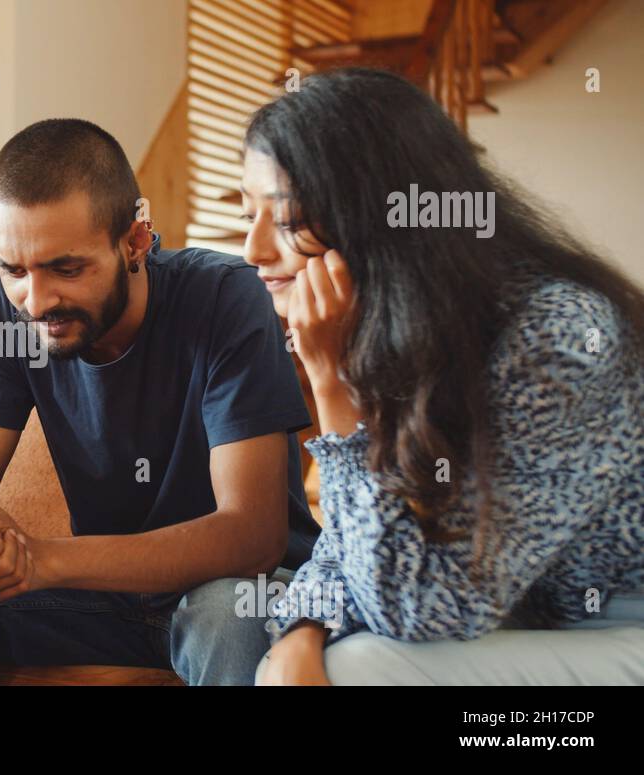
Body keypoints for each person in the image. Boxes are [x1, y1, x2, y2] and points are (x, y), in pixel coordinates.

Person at [0, 118, 319, 685]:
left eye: (66, 268)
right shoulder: (14, 313)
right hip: (102, 598)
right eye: (14, 270)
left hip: (233, 589)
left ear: (135, 241)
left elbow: (252, 537)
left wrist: (41, 558)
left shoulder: (225, 297)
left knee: (228, 612)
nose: (35, 301)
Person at [241, 68, 644, 685]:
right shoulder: (411, 331)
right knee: (290, 657)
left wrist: (334, 386)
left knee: (358, 673)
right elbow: (352, 550)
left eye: (288, 218)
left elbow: (422, 607)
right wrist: (302, 632)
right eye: (249, 214)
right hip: (525, 618)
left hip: (620, 627)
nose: (253, 249)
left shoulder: (560, 337)